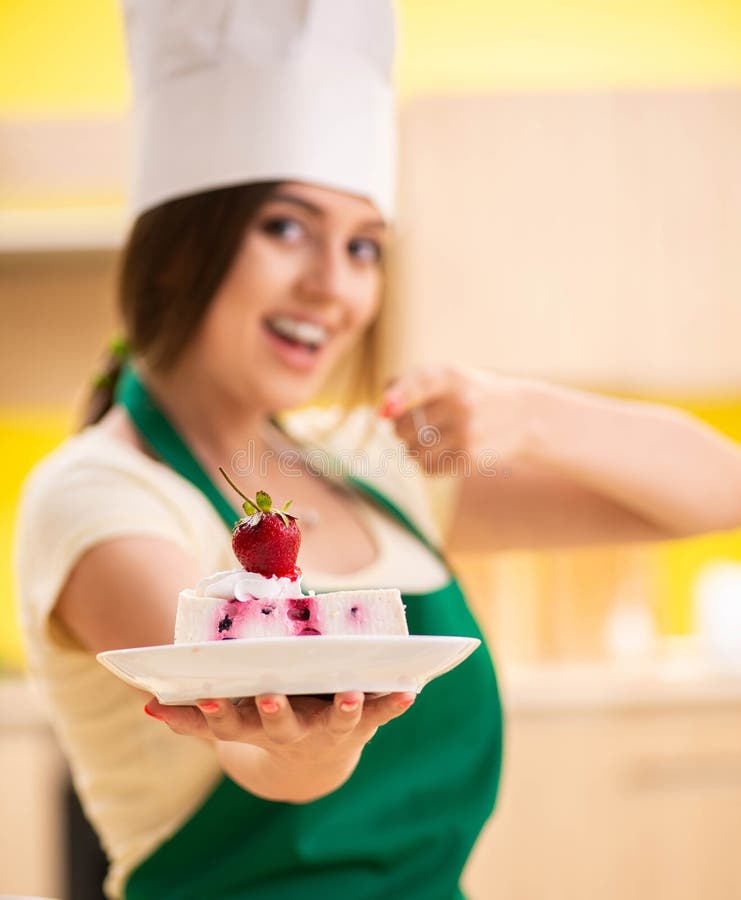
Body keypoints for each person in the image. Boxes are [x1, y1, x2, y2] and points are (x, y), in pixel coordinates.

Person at [12, 2, 741, 899]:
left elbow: (720, 494)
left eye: (363, 247)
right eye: (285, 228)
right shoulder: (96, 494)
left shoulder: (367, 462)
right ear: (175, 251)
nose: (332, 285)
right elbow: (254, 746)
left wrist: (530, 411)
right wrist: (313, 742)